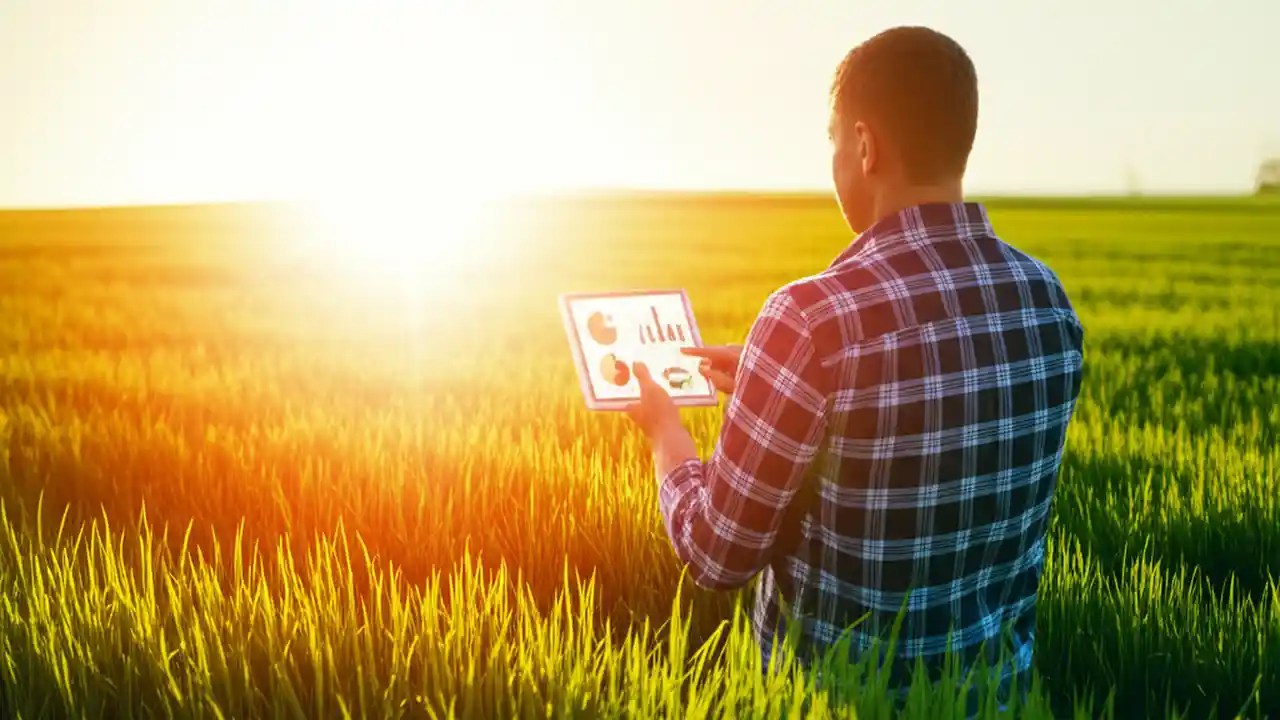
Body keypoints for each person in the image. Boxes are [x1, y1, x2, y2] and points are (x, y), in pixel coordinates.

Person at [625, 25, 1085, 709]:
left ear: (865, 147)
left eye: (835, 140)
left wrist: (667, 433)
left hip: (834, 701)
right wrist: (769, 373)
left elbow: (718, 552)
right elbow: (936, 392)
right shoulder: (1046, 301)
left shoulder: (811, 320)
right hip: (1000, 698)